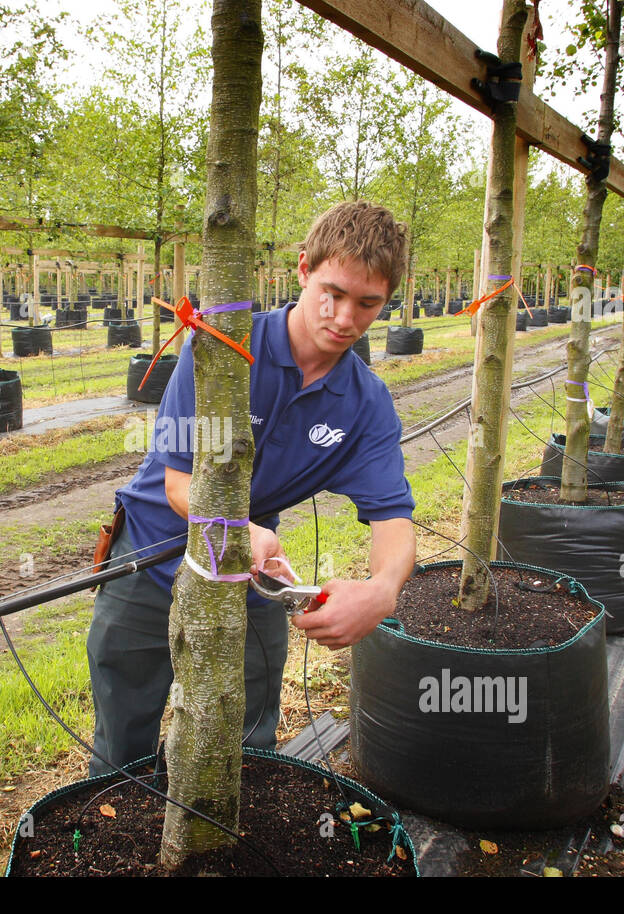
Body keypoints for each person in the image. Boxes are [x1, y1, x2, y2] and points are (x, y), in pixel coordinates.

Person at [85, 200, 417, 777]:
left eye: (368, 304)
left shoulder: (365, 406)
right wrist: (241, 531)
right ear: (302, 269)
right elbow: (180, 483)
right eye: (332, 293)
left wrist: (384, 589)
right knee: (122, 742)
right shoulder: (224, 350)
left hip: (251, 574)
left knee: (246, 743)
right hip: (151, 555)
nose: (344, 318)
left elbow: (392, 517)